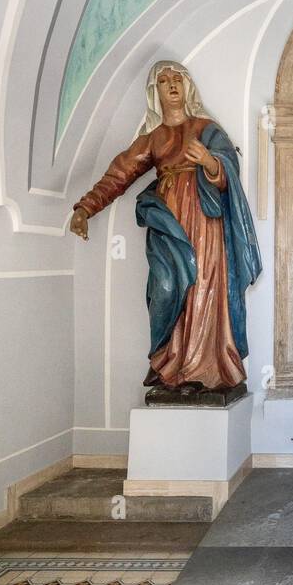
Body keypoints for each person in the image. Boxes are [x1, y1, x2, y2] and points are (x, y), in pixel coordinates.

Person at [70, 61, 261, 395]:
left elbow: (230, 169)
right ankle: (171, 367)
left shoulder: (207, 128)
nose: (171, 85)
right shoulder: (153, 139)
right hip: (169, 224)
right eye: (163, 80)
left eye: (177, 79)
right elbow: (120, 174)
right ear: (154, 91)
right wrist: (85, 207)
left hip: (205, 222)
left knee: (203, 288)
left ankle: (205, 370)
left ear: (187, 87)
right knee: (167, 287)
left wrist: (209, 161)